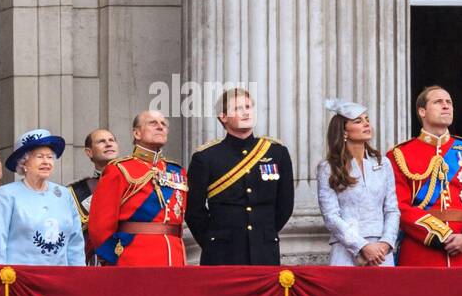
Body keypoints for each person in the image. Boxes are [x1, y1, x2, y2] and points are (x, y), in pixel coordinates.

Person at [185, 88, 295, 265]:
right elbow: (193, 210)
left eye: (248, 107)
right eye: (237, 108)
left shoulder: (276, 152)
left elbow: (285, 204)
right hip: (222, 253)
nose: (246, 112)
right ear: (223, 117)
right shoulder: (206, 157)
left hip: (264, 250)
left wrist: (264, 233)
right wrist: (213, 241)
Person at [389, 86, 462, 266]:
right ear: (422, 111)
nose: (446, 106)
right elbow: (400, 207)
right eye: (438, 102)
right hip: (421, 250)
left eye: (449, 102)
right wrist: (441, 235)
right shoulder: (399, 154)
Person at [87, 110, 189, 266]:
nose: (160, 127)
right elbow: (99, 226)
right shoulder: (119, 169)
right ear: (137, 133)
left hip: (174, 256)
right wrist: (114, 258)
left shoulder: (177, 171)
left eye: (163, 124)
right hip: (134, 259)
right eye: (153, 123)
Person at [315, 98, 399, 266]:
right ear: (344, 131)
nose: (366, 124)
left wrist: (386, 242)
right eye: (358, 121)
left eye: (367, 120)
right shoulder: (328, 168)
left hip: (382, 252)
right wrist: (362, 246)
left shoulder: (383, 163)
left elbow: (392, 209)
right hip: (346, 249)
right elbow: (331, 216)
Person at [0, 129, 85, 266]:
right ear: (24, 163)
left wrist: (79, 276)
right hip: (20, 278)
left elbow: (75, 242)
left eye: (50, 157)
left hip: (60, 277)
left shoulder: (64, 194)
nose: (46, 162)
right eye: (39, 156)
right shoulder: (7, 194)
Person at [69, 129, 120, 241]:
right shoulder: (76, 190)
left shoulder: (135, 182)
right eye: (101, 141)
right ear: (89, 152)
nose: (108, 144)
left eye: (111, 140)